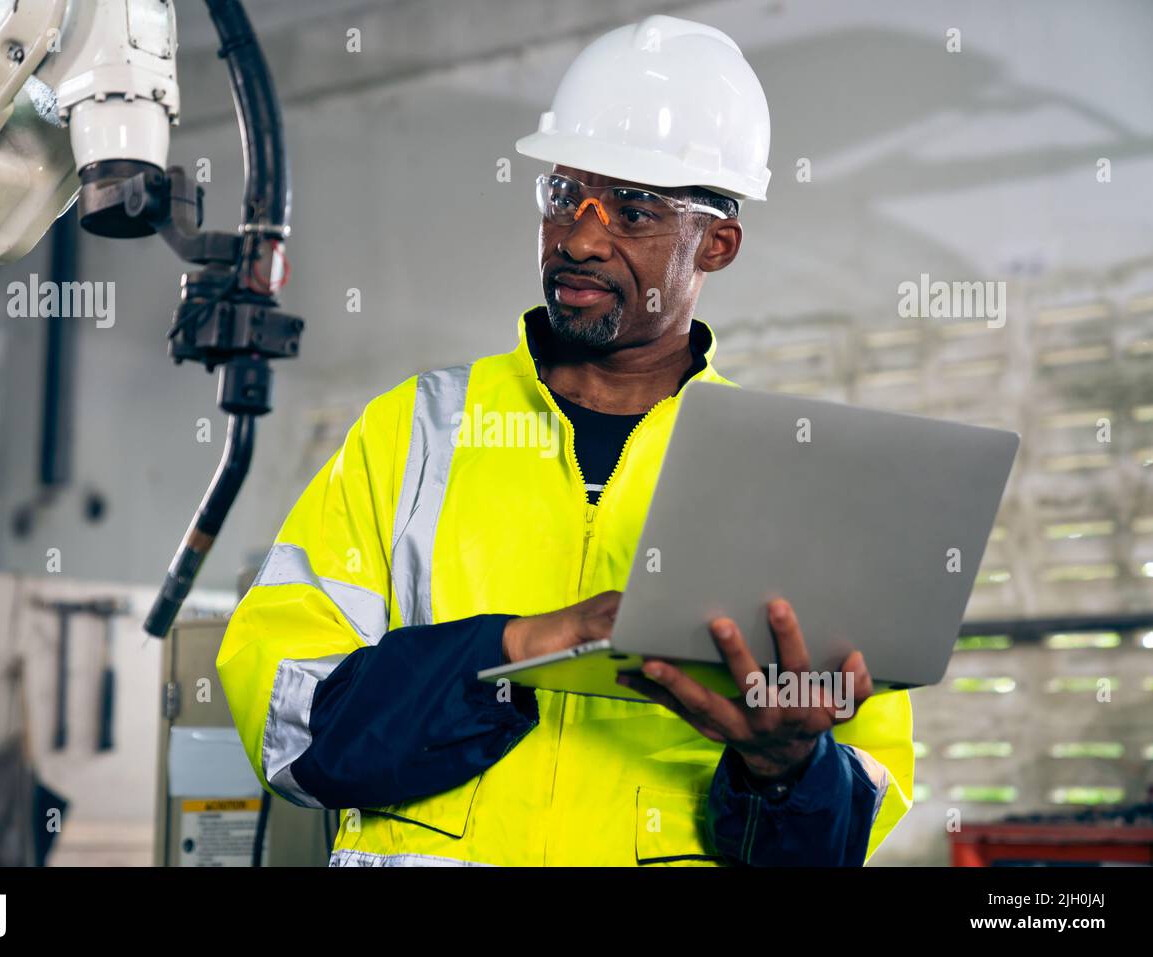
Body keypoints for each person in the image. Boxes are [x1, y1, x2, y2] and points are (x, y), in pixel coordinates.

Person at [217, 14, 913, 866]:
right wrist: (518, 647)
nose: (580, 237)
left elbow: (844, 833)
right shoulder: (414, 431)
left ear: (717, 245)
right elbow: (290, 726)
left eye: (633, 209)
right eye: (562, 196)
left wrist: (786, 766)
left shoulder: (788, 478)